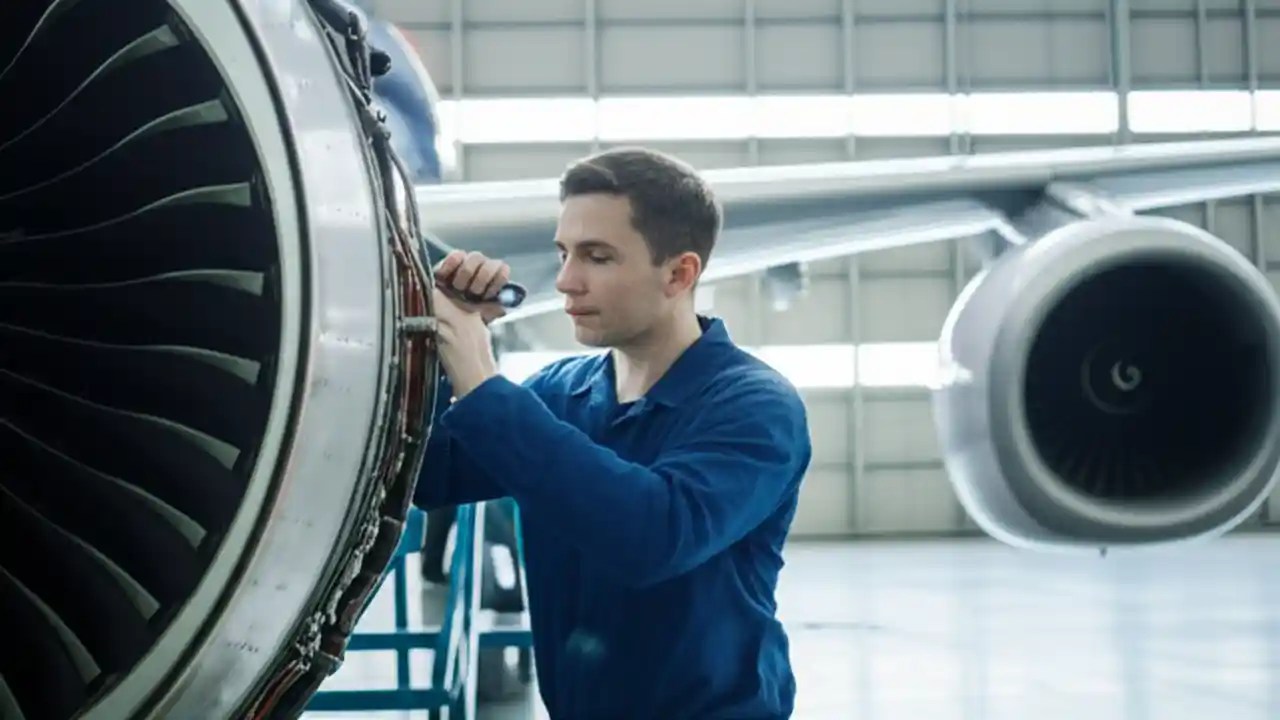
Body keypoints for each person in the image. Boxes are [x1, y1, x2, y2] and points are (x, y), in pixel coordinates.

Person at [413, 146, 812, 719]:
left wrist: (481, 376)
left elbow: (651, 537)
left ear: (679, 273)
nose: (566, 281)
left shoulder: (756, 407)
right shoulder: (561, 391)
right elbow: (429, 474)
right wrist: (436, 352)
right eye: (563, 253)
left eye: (597, 257)